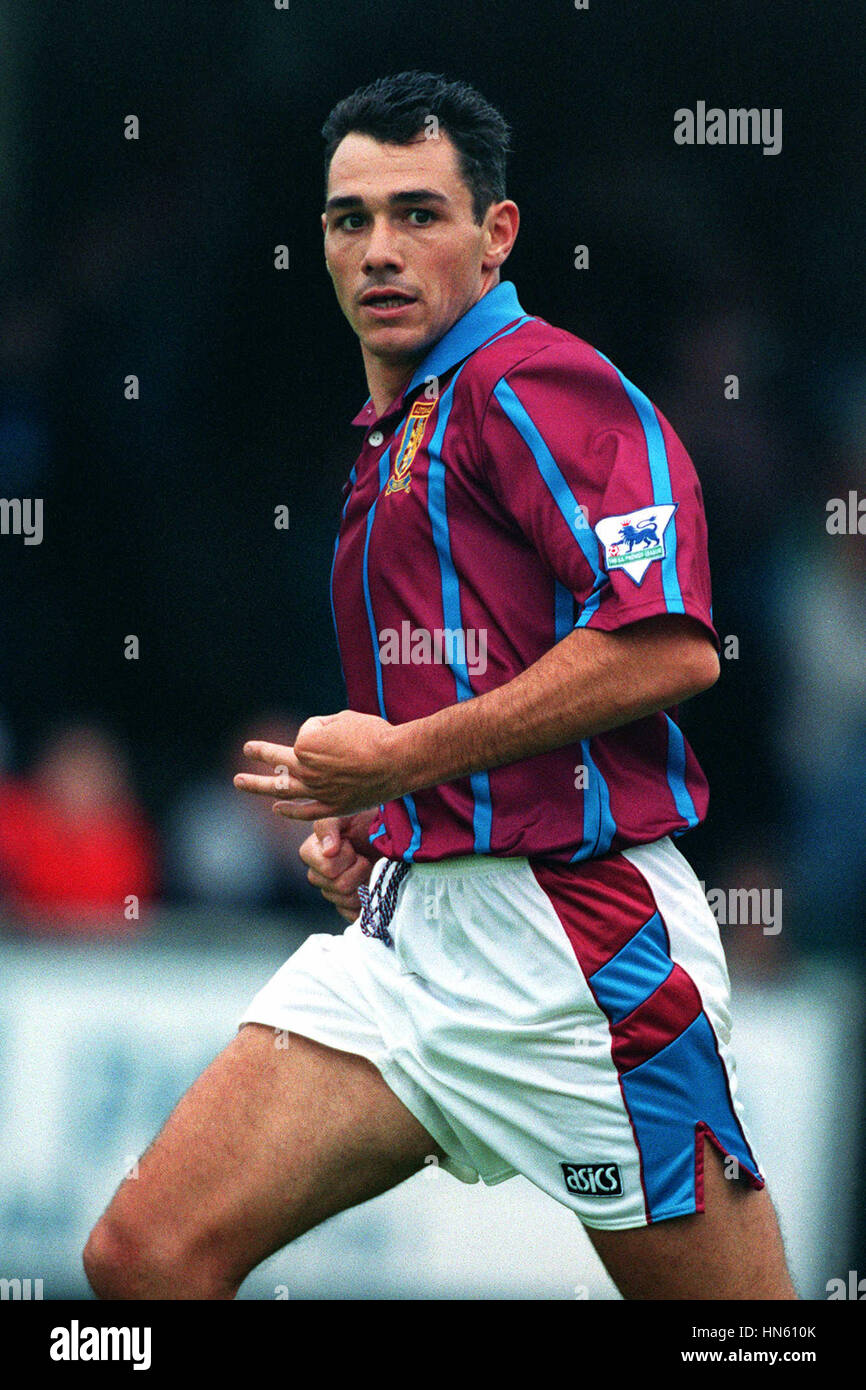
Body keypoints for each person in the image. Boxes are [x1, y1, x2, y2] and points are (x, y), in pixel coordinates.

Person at [83, 71, 796, 1301]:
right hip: (411, 941)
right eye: (349, 218)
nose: (379, 248)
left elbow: (666, 646)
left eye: (418, 213)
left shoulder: (536, 384)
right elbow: (480, 683)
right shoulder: (399, 423)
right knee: (142, 1261)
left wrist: (405, 765)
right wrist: (395, 816)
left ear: (496, 233)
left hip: (580, 950)